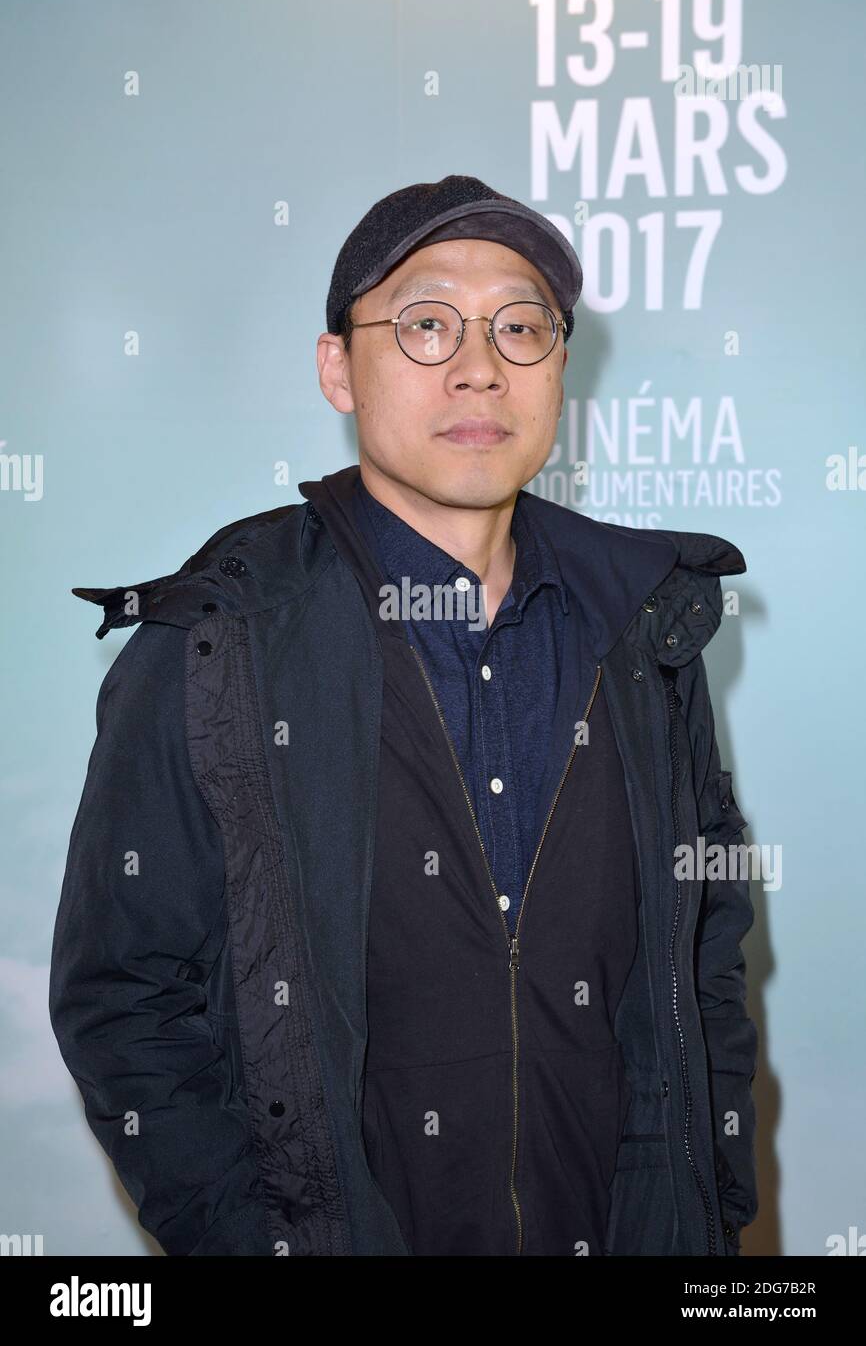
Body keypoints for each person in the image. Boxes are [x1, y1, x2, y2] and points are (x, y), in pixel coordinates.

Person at [49, 173, 758, 1257]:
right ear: (338, 368)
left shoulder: (640, 627)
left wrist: (707, 1208)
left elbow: (704, 941)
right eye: (424, 325)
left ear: (560, 367)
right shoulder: (217, 638)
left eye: (520, 327)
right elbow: (124, 999)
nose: (478, 364)